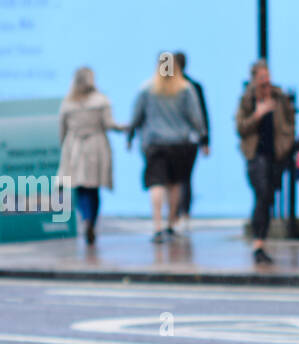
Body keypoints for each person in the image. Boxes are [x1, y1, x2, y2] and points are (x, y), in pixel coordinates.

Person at [126, 53, 206, 242]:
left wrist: (130, 136)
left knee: (156, 183)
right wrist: (202, 135)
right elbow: (195, 116)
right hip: (179, 143)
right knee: (175, 183)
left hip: (155, 143)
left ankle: (157, 225)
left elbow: (136, 116)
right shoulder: (185, 89)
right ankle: (171, 223)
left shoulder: (147, 89)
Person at [235, 60, 295, 266]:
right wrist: (257, 115)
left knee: (268, 197)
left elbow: (290, 120)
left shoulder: (279, 96)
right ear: (253, 79)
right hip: (256, 154)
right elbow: (241, 127)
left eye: (267, 77)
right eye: (261, 78)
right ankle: (258, 243)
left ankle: (261, 241)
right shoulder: (247, 100)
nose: (266, 82)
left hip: (276, 154)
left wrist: (287, 141)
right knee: (262, 195)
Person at [58, 67, 127, 244]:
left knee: (80, 187)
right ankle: (91, 221)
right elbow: (109, 124)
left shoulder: (67, 103)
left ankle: (85, 219)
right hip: (96, 146)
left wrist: (64, 148)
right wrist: (124, 128)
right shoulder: (101, 100)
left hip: (75, 146)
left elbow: (62, 130)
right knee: (93, 187)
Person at [173, 51, 209, 232]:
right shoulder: (193, 86)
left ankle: (178, 214)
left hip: (176, 140)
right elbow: (202, 116)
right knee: (185, 177)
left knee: (177, 178)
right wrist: (205, 139)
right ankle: (182, 214)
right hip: (189, 139)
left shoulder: (177, 88)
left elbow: (200, 115)